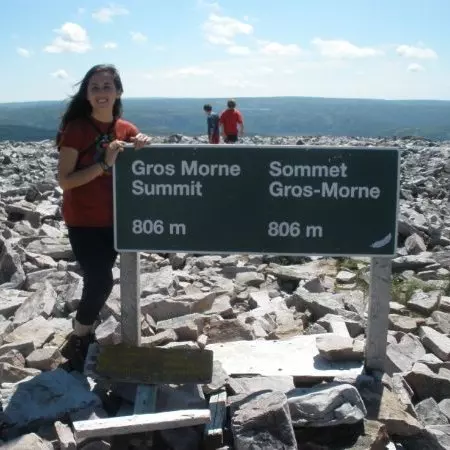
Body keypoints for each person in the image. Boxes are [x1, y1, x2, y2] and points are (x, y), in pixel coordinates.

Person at [55, 64, 151, 372]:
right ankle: (80, 334)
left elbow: (146, 164)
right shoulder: (76, 129)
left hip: (118, 221)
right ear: (86, 93)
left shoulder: (126, 128)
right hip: (83, 220)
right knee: (100, 280)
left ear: (118, 91)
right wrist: (104, 163)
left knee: (102, 278)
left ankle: (89, 334)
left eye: (107, 86)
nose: (101, 93)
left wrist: (143, 144)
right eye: (94, 87)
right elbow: (65, 181)